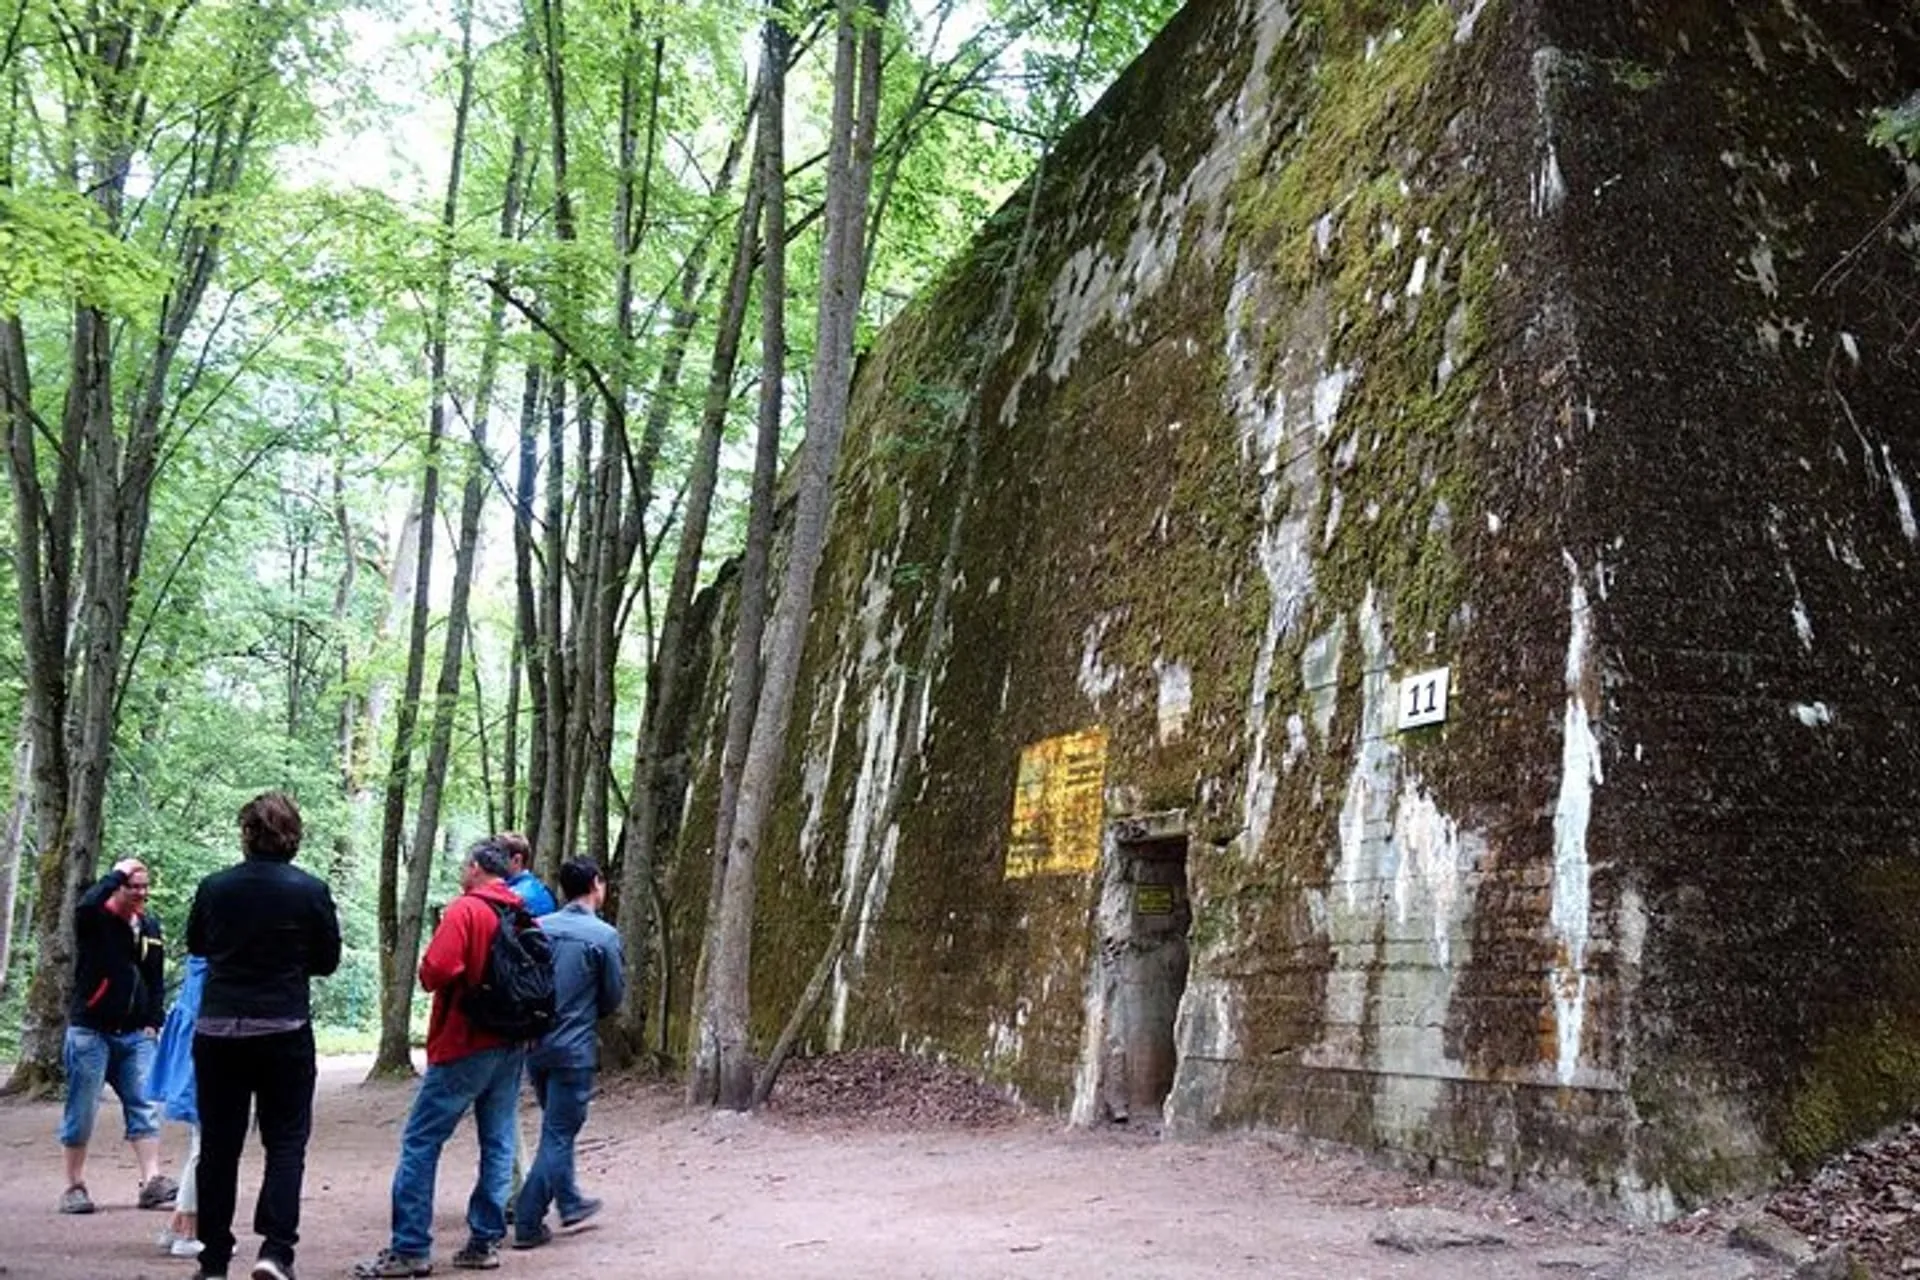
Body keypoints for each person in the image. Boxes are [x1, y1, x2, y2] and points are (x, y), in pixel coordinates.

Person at [352, 838, 532, 1277]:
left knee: (421, 1140)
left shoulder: (466, 910)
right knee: (498, 1139)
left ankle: (410, 1247)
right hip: (509, 1042)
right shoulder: (520, 910)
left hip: (464, 1041)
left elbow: (436, 971)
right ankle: (483, 1241)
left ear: (473, 867)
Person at [187, 791, 342, 1280]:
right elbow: (328, 960)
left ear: (246, 835)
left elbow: (196, 944)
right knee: (286, 1142)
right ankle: (275, 1252)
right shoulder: (310, 890)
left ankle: (213, 1260)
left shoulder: (215, 888)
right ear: (293, 837)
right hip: (283, 1028)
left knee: (218, 1145)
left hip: (218, 1029)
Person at [511, 858, 624, 1249]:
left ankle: (571, 1201)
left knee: (555, 1129)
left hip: (536, 1047)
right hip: (573, 1049)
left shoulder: (538, 927)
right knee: (559, 1133)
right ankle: (527, 1220)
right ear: (596, 884)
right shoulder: (603, 936)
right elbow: (612, 996)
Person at [59, 856, 174, 1216]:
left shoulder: (149, 927)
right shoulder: (96, 920)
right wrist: (116, 873)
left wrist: (153, 1022)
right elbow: (85, 904)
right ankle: (74, 1186)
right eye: (132, 885)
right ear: (117, 886)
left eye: (144, 885)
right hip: (90, 1031)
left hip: (136, 1035)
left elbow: (155, 979)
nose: (141, 892)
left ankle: (151, 1181)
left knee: (145, 1104)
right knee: (82, 1109)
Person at [150, 953, 209, 1259]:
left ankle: (176, 1225)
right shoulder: (215, 961)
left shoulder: (203, 954)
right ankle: (190, 1231)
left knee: (203, 1142)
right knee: (207, 1147)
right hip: (207, 1049)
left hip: (195, 1046)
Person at [497, 831, 555, 916]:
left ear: (516, 860)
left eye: (497, 857)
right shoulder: (542, 889)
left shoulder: (513, 897)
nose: (491, 862)